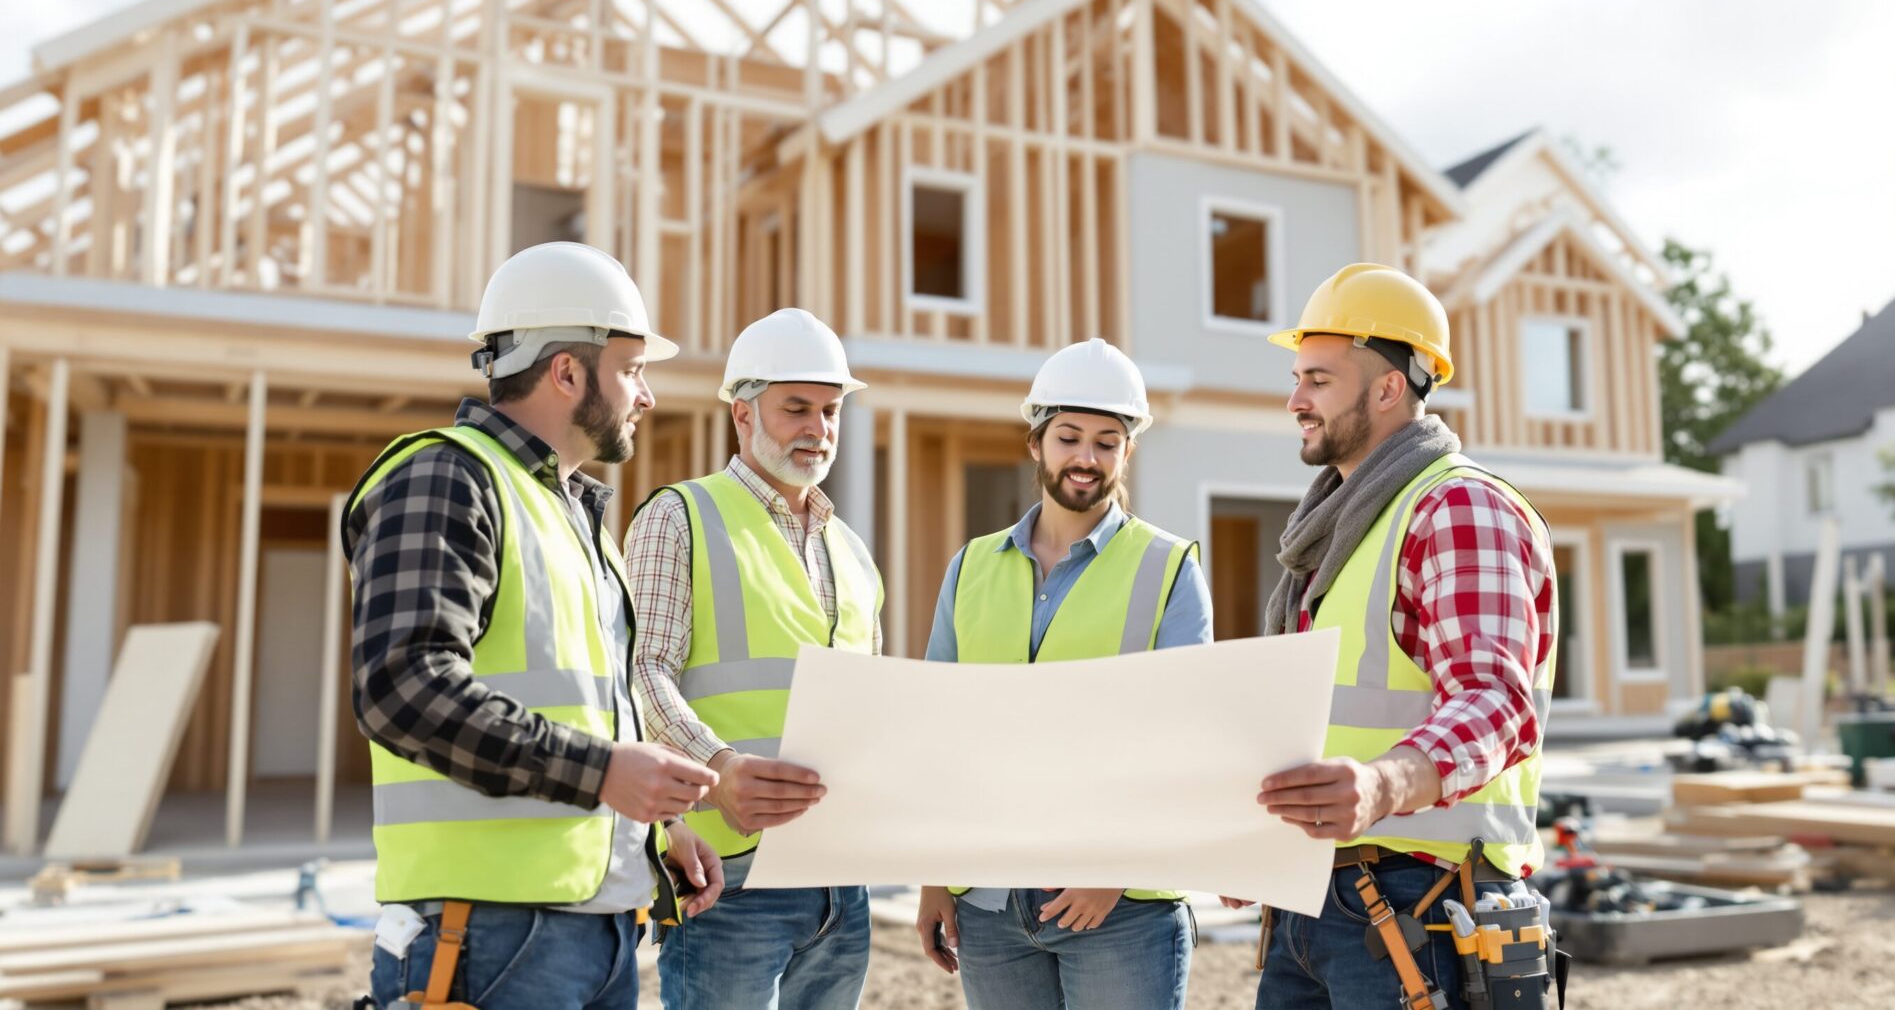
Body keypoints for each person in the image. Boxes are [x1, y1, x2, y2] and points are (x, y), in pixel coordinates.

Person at [346, 242, 721, 1010]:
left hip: (600, 932)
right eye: (633, 369)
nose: (646, 396)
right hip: (483, 936)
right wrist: (605, 774)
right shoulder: (447, 477)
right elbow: (401, 686)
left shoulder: (572, 515)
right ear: (567, 373)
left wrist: (653, 831)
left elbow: (582, 710)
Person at [1238, 263, 1559, 1009]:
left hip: (1423, 904)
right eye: (1296, 378)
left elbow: (1495, 702)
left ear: (1388, 388)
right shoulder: (1337, 531)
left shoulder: (1458, 507)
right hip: (1314, 900)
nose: (1295, 400)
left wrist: (1383, 783)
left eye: (1317, 379)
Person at [915, 338, 1213, 1010]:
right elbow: (940, 729)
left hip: (1117, 911)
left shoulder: (1168, 568)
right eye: (1069, 437)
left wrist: (1118, 865)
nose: (1086, 457)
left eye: (1107, 442)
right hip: (989, 907)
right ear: (1036, 444)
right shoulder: (970, 567)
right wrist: (936, 876)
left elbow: (1186, 735)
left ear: (1126, 453)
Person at [625, 307, 885, 1009]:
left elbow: (871, 706)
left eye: (830, 411)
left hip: (842, 882)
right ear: (742, 415)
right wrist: (720, 768)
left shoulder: (853, 554)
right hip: (728, 877)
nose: (819, 428)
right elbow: (641, 670)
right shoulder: (679, 516)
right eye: (796, 408)